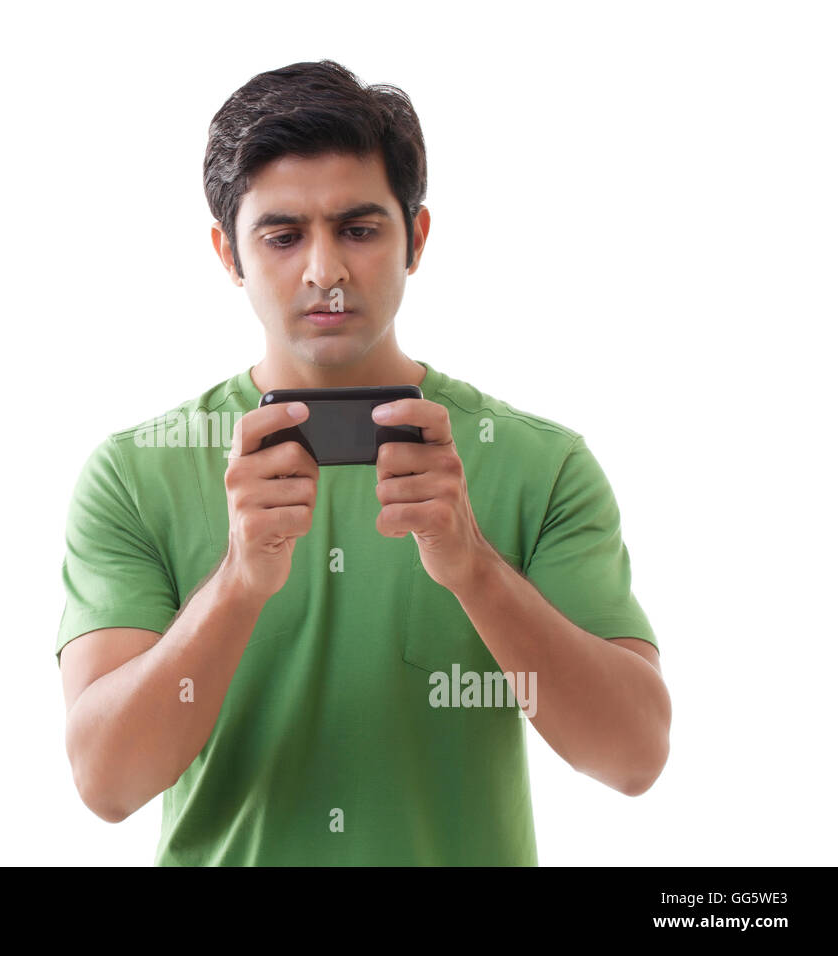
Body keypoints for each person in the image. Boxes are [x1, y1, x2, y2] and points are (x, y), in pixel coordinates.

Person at [55, 60, 671, 865]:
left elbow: (632, 758)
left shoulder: (538, 464)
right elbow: (107, 783)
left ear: (415, 237)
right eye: (282, 235)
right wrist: (239, 584)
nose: (325, 272)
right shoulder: (136, 476)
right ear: (227, 253)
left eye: (358, 228)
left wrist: (475, 568)